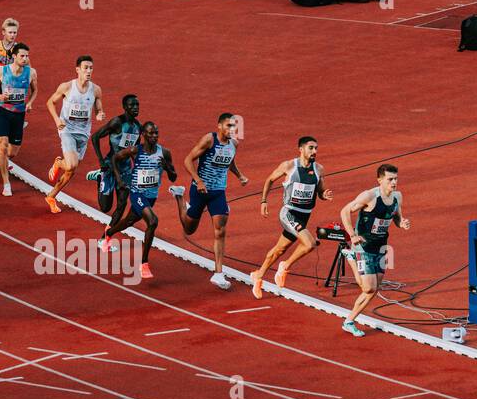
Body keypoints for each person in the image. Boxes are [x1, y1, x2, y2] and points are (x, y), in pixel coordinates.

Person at [168, 113, 248, 290]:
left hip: (218, 192)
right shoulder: (209, 140)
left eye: (233, 127)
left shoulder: (234, 144)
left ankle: (218, 274)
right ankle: (180, 197)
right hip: (200, 190)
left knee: (220, 231)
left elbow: (230, 161)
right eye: (228, 126)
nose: (231, 130)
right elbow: (188, 160)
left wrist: (240, 175)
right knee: (189, 229)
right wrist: (198, 180)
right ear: (219, 126)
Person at [250, 136, 332, 299]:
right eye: (311, 148)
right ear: (301, 149)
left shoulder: (319, 169)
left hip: (304, 216)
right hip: (288, 213)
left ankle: (258, 276)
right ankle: (285, 266)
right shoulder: (289, 166)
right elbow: (269, 179)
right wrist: (264, 201)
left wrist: (325, 195)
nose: (315, 151)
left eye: (316, 148)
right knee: (309, 244)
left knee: (280, 249)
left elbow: (320, 192)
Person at [339, 163, 410, 337]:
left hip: (382, 246)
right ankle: (349, 321)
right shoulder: (369, 196)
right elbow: (344, 211)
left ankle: (349, 321)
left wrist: (402, 223)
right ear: (380, 180)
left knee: (374, 288)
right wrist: (352, 234)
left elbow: (396, 216)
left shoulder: (397, 197)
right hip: (363, 246)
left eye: (395, 179)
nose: (394, 183)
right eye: (390, 179)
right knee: (369, 288)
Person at [100, 122, 176, 280]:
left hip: (151, 196)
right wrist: (119, 179)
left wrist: (167, 167)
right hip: (136, 193)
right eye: (150, 133)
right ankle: (144, 264)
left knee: (129, 221)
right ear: (143, 134)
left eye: (156, 133)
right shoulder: (136, 150)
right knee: (153, 221)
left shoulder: (165, 153)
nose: (154, 136)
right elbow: (115, 158)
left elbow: (173, 177)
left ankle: (109, 233)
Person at [44, 56, 105, 215]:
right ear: (77, 70)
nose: (89, 71)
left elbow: (98, 105)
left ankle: (51, 196)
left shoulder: (96, 89)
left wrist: (99, 113)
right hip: (67, 130)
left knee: (71, 170)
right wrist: (57, 120)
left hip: (83, 133)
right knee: (71, 165)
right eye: (85, 68)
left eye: (91, 68)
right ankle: (59, 163)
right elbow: (50, 102)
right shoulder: (67, 87)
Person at [0, 42, 36, 196]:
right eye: (22, 56)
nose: (25, 58)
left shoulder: (31, 73)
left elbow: (35, 90)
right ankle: (6, 184)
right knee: (3, 147)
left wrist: (30, 103)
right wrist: (0, 96)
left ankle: (3, 162)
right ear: (14, 56)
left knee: (12, 153)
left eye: (27, 56)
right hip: (3, 113)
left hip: (19, 115)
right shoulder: (2, 71)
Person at [86, 94, 142, 237]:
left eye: (137, 105)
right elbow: (95, 137)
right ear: (124, 107)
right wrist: (100, 161)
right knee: (105, 207)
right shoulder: (116, 122)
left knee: (122, 204)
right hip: (110, 167)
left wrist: (137, 168)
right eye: (131, 105)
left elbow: (134, 150)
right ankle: (100, 178)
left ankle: (105, 238)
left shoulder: (138, 127)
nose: (135, 108)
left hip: (126, 170)